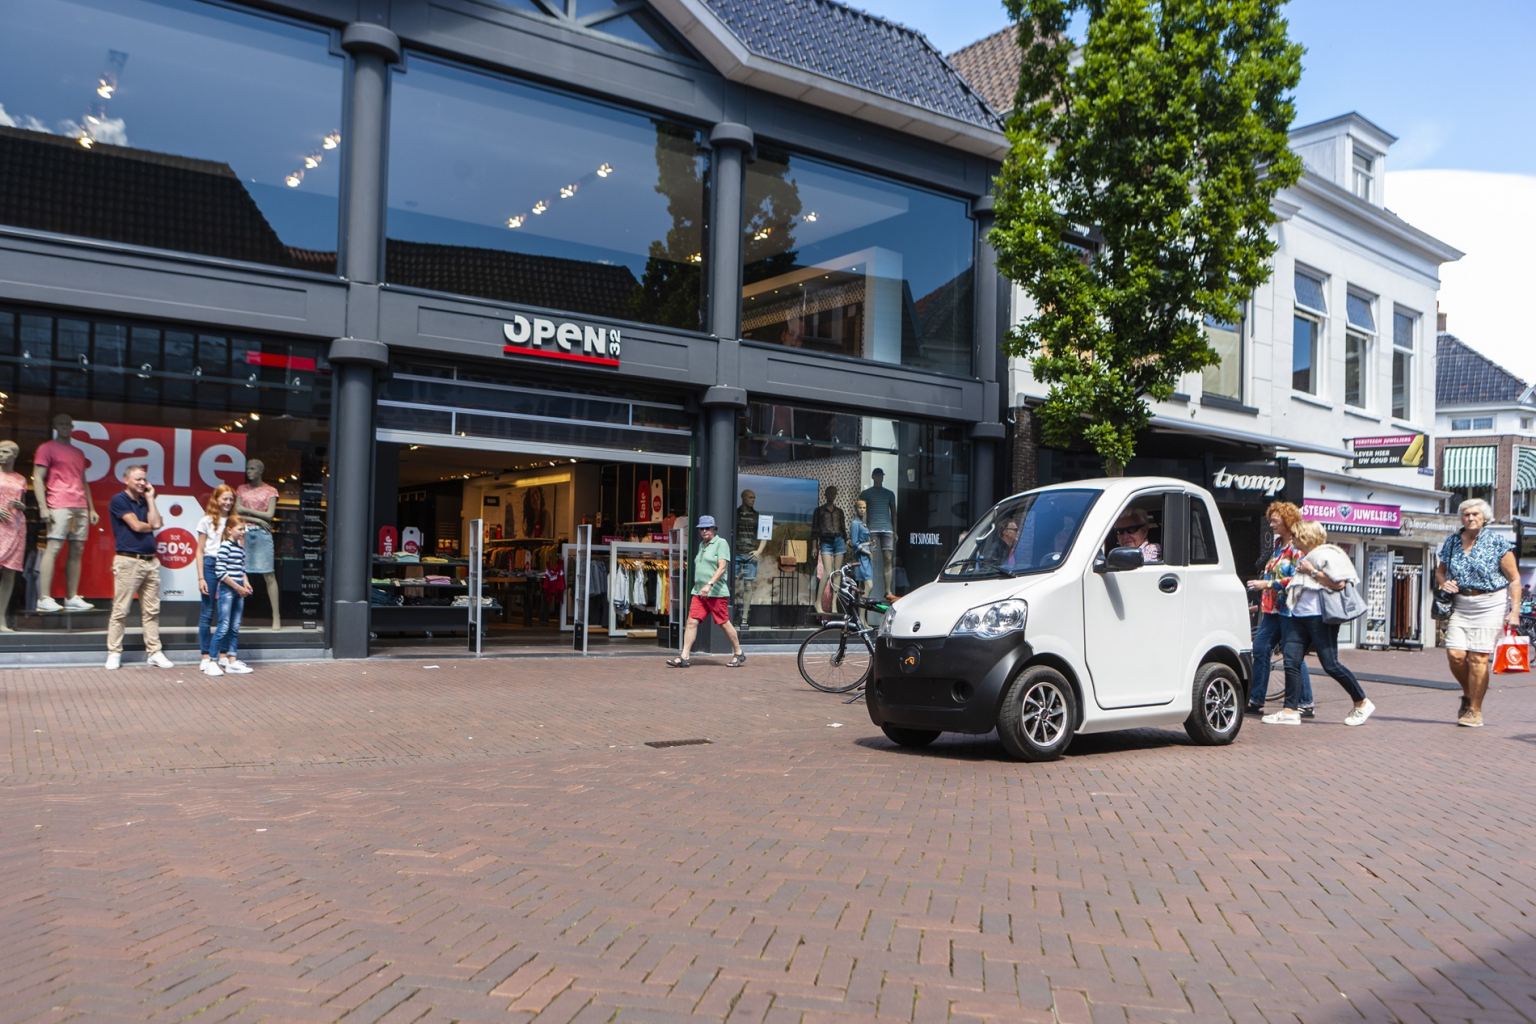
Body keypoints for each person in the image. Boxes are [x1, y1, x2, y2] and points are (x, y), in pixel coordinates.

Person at [1262, 520, 1375, 726]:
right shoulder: (1304, 558)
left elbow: (1339, 583)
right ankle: (1289, 711)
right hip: (1299, 615)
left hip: (1320, 617)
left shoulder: (1329, 554)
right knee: (1291, 661)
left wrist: (1312, 572)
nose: (1293, 538)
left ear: (1306, 536)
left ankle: (1362, 702)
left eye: (1295, 535)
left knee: (1330, 664)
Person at [1436, 498, 1520, 727]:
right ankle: (1469, 692)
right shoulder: (1452, 541)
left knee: (1478, 657)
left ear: (1484, 517)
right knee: (1455, 655)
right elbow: (1440, 572)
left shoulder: (1497, 542)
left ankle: (1475, 709)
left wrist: (1514, 611)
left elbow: (1514, 579)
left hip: (1490, 602)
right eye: (1466, 514)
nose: (1470, 518)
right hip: (1460, 603)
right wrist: (1444, 583)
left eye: (1475, 514)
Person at [1244, 501, 1314, 717]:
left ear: (1288, 520)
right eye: (1270, 519)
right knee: (1260, 647)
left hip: (1289, 608)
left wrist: (1268, 584)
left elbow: (1297, 577)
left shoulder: (1296, 547)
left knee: (1293, 655)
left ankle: (1305, 702)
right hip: (1272, 608)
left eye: (1276, 519)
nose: (1271, 522)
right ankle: (1256, 699)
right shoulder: (1277, 545)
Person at [105, 465, 175, 670]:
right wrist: (153, 525)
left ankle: (154, 652)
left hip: (150, 561)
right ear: (125, 479)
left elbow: (156, 522)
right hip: (128, 561)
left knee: (152, 611)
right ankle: (114, 652)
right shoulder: (119, 500)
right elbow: (137, 525)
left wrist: (152, 498)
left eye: (144, 479)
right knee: (120, 610)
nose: (142, 483)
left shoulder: (146, 500)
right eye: (138, 479)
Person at [33, 412, 98, 613]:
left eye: (67, 424)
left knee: (77, 549)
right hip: (58, 502)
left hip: (79, 504)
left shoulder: (78, 452)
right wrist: (43, 507)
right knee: (54, 547)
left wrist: (92, 508)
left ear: (72, 427)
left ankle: (72, 597)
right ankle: (44, 597)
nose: (64, 427)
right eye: (60, 424)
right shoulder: (46, 449)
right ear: (54, 426)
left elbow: (83, 480)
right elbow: (37, 477)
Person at [666, 515, 745, 668]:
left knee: (723, 623)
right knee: (691, 622)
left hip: (716, 593)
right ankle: (684, 656)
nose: (704, 531)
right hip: (699, 592)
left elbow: (722, 568)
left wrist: (709, 584)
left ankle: (739, 653)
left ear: (713, 529)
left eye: (707, 528)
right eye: (701, 528)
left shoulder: (721, 543)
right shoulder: (702, 545)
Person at [195, 485, 236, 674]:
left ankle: (223, 655)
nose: (228, 502)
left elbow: (241, 551)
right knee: (208, 611)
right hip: (210, 564)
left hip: (230, 565)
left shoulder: (234, 521)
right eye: (224, 499)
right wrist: (201, 577)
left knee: (227, 614)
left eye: (231, 499)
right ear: (216, 499)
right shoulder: (206, 521)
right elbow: (200, 550)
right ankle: (205, 656)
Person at [208, 516, 254, 675]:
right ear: (229, 530)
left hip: (237, 589)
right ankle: (212, 661)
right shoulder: (224, 547)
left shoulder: (240, 548)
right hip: (227, 589)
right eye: (240, 529)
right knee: (224, 625)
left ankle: (232, 660)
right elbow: (220, 573)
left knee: (234, 626)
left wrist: (245, 583)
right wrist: (238, 587)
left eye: (244, 529)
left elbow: (242, 568)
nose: (243, 532)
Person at [859, 469, 897, 596]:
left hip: (887, 529)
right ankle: (867, 587)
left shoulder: (890, 494)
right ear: (873, 477)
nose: (879, 477)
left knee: (888, 559)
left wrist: (895, 531)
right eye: (877, 475)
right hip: (872, 529)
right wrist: (862, 530)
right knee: (870, 558)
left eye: (881, 476)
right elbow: (861, 512)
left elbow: (894, 513)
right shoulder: (866, 494)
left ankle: (888, 590)